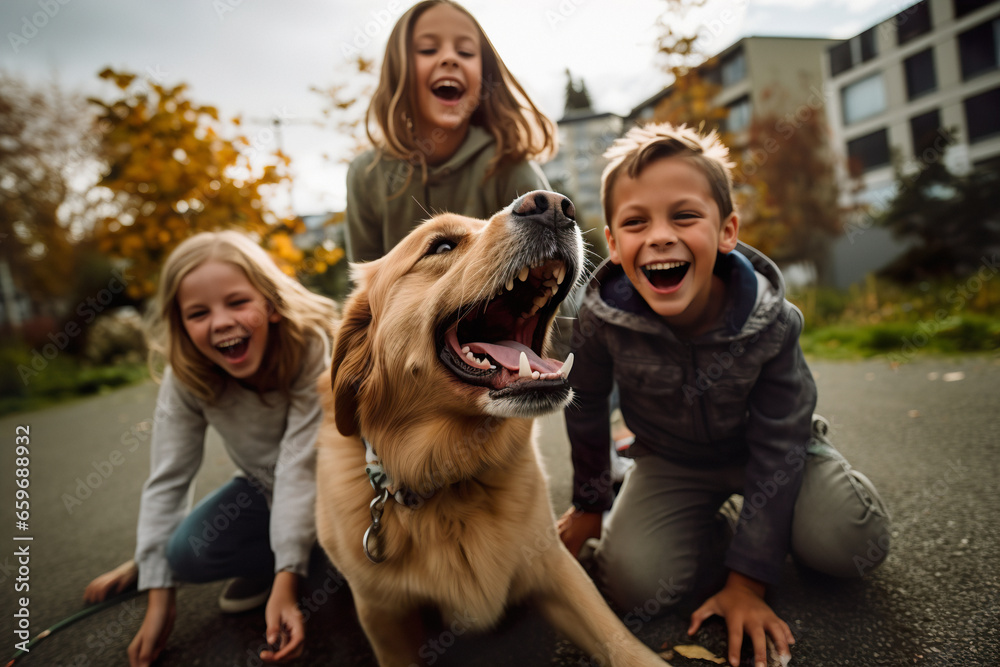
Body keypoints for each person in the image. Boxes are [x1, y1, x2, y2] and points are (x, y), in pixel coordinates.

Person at [556, 123, 891, 667]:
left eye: (684, 216)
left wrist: (748, 583)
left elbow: (780, 446)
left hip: (776, 456)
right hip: (671, 459)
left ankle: (781, 527)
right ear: (614, 245)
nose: (660, 235)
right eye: (636, 222)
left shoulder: (773, 322)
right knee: (635, 585)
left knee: (847, 546)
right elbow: (588, 403)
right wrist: (591, 504)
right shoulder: (600, 319)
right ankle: (722, 532)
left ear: (727, 230)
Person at [82, 231, 337, 666]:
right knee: (185, 551)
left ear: (271, 304)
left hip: (334, 495)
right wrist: (159, 594)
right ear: (181, 324)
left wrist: (286, 583)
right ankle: (281, 563)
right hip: (266, 492)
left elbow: (299, 467)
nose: (220, 321)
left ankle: (297, 567)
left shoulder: (310, 346)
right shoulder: (188, 377)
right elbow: (168, 480)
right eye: (198, 313)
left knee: (351, 573)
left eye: (237, 303)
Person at [345, 0, 556, 263]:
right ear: (400, 70)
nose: (449, 58)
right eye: (428, 49)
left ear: (483, 74)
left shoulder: (510, 166)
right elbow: (367, 289)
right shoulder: (365, 176)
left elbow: (554, 277)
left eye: (466, 52)